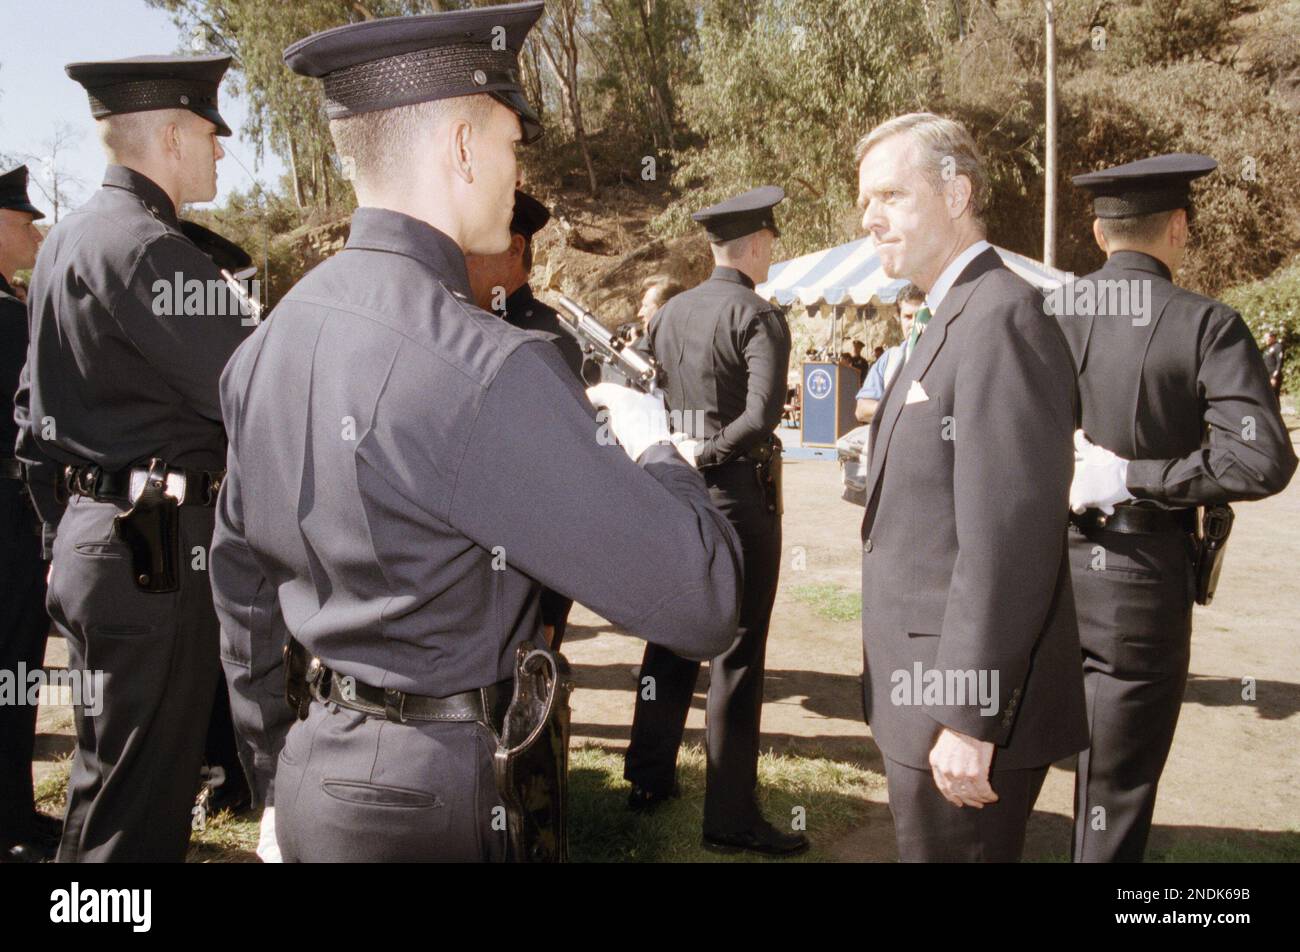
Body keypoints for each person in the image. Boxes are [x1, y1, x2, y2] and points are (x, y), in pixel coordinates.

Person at [213, 1, 742, 863]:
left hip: (317, 769)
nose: (513, 170)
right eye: (510, 144)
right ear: (461, 148)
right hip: (441, 799)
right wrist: (651, 444)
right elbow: (705, 600)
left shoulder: (270, 339)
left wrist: (275, 768)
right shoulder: (484, 365)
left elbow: (239, 587)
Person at [20, 54, 251, 862]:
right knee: (141, 803)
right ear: (173, 136)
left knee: (110, 781)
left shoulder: (64, 243)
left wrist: (69, 536)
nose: (223, 152)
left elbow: (30, 420)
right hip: (154, 552)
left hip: (103, 544)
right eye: (212, 135)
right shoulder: (154, 252)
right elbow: (252, 392)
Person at [855, 112, 1087, 862]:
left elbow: (1009, 542)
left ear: (956, 194)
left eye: (891, 194)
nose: (871, 217)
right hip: (922, 690)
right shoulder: (947, 311)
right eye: (865, 200)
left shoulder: (1000, 316)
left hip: (956, 707)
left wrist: (967, 718)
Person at [1062, 153, 1297, 863]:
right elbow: (1261, 459)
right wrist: (1134, 475)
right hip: (1135, 582)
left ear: (1101, 236)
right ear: (1180, 229)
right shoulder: (1208, 324)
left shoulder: (1043, 314)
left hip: (1033, 570)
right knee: (1115, 789)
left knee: (1001, 769)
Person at [624, 185, 805, 857]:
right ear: (755, 244)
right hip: (737, 491)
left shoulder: (669, 315)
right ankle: (730, 815)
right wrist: (715, 452)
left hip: (678, 489)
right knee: (737, 653)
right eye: (771, 244)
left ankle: (648, 776)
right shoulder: (760, 317)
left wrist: (686, 454)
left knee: (671, 631)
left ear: (714, 246)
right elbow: (761, 417)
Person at [466, 189, 583, 650]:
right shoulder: (462, 327)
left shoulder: (548, 343)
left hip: (521, 590)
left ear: (515, 249)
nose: (461, 258)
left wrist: (551, 609)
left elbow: (565, 488)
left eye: (473, 247)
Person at [0, 165, 58, 863]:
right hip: (8, 525)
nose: (35, 231)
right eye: (23, 220)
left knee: (19, 674)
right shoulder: (9, 318)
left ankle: (16, 809)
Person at [854, 283, 923, 424]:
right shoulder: (890, 359)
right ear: (899, 318)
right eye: (908, 317)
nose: (913, 324)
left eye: (920, 316)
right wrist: (900, 406)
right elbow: (862, 410)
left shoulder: (947, 356)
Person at [1262, 331, 1284, 403]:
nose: (1265, 340)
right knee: (1267, 396)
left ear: (1272, 338)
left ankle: (1277, 413)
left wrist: (1274, 377)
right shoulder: (1267, 349)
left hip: (1273, 376)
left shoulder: (1278, 346)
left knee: (1274, 396)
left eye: (1267, 338)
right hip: (1266, 375)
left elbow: (1279, 363)